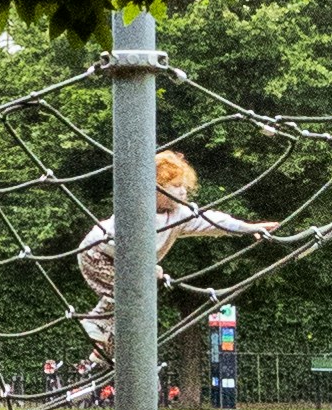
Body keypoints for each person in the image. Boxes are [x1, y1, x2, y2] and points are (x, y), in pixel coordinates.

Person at [71, 150, 275, 393]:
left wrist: (247, 228)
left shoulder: (180, 214)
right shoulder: (135, 210)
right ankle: (96, 330)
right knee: (134, 293)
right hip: (98, 254)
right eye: (176, 185)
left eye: (184, 186)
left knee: (134, 302)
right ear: (156, 188)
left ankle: (103, 348)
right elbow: (119, 244)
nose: (183, 191)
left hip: (131, 264)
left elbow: (212, 221)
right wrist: (147, 268)